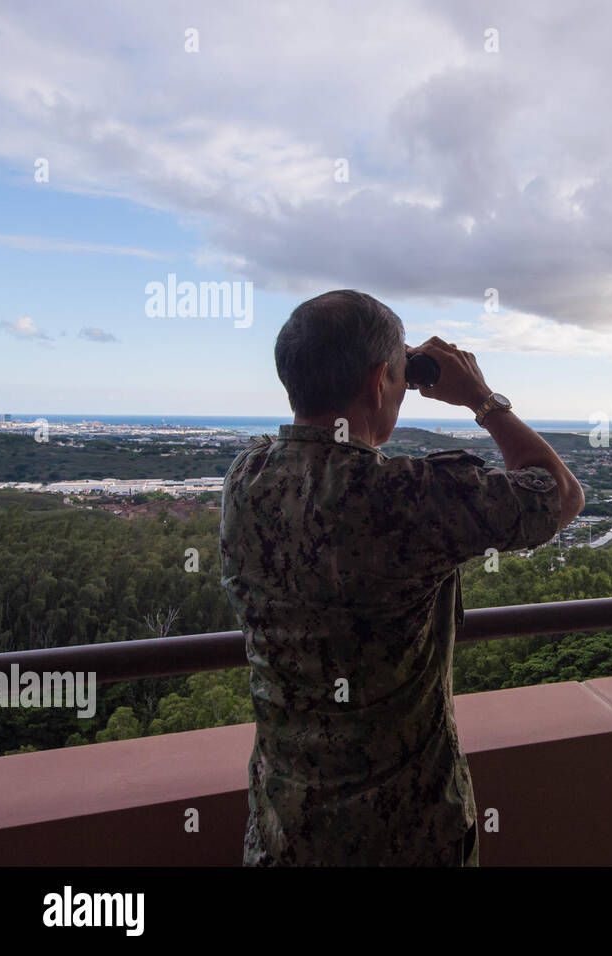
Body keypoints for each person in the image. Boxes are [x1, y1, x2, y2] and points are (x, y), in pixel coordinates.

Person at [219, 289, 584, 866]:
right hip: (406, 837)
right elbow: (560, 495)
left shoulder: (246, 478)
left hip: (282, 830)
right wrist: (481, 399)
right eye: (397, 378)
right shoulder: (404, 498)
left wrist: (386, 365)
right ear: (377, 382)